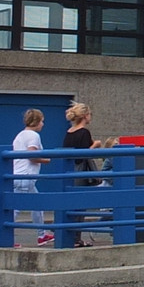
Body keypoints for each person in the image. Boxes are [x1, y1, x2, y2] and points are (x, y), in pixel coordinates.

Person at [62, 102, 101, 247]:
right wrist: (95, 145)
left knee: (71, 205)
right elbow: (83, 154)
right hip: (81, 173)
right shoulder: (84, 132)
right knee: (80, 206)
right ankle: (76, 238)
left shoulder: (69, 132)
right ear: (85, 116)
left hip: (69, 172)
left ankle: (70, 236)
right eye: (90, 114)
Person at [11, 109, 51, 246]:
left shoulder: (19, 135)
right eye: (42, 121)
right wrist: (46, 160)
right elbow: (32, 155)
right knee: (15, 208)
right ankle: (6, 238)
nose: (43, 124)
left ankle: (42, 235)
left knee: (37, 205)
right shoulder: (33, 136)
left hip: (18, 175)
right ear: (36, 122)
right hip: (26, 176)